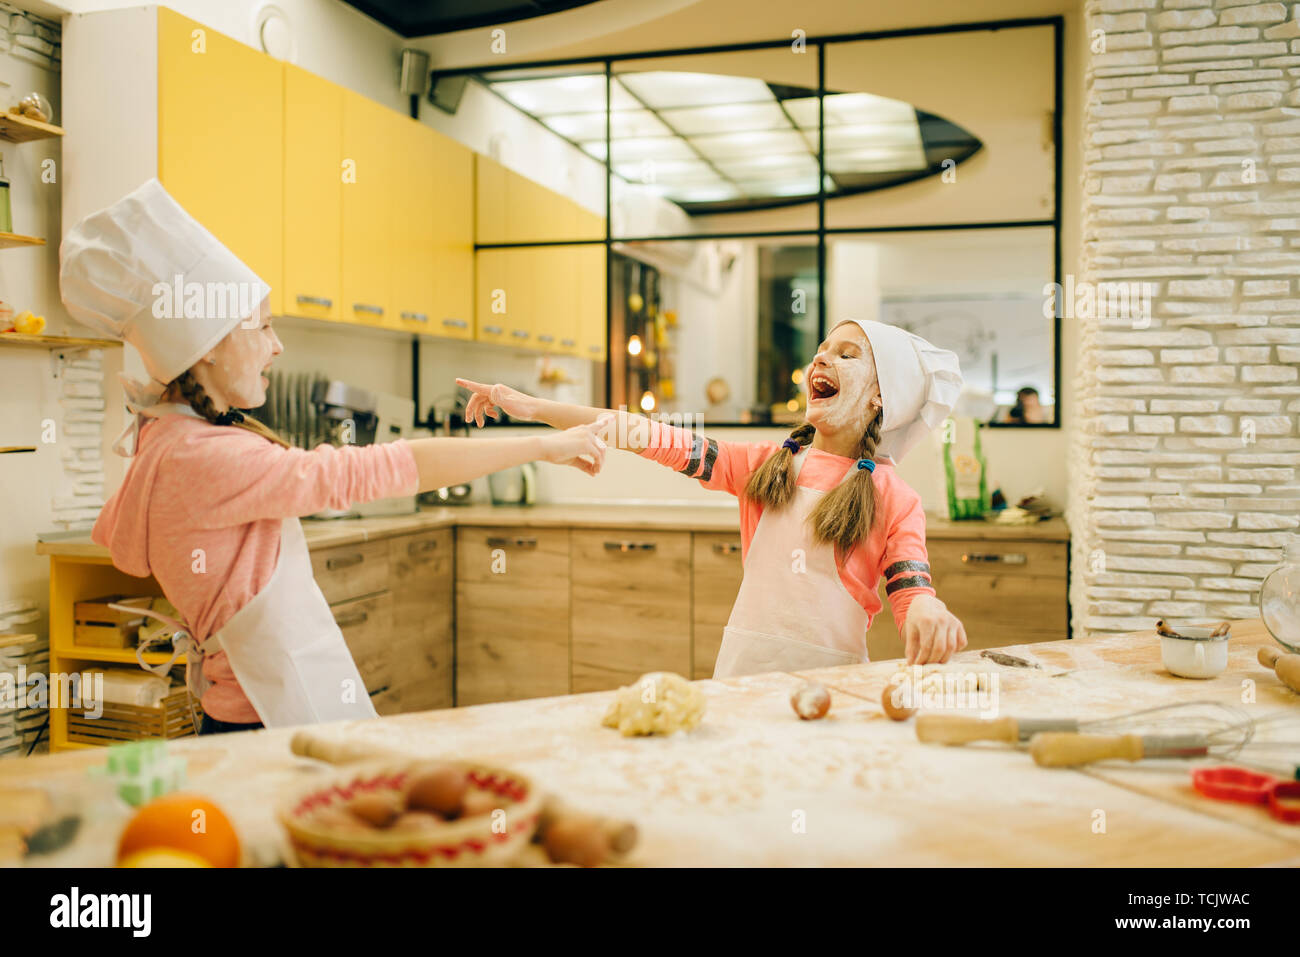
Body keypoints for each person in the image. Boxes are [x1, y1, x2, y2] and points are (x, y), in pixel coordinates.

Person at [60, 179, 608, 734]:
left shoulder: (167, 442)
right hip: (266, 721)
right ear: (209, 346)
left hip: (244, 709)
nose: (277, 345)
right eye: (265, 326)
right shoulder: (202, 457)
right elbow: (381, 468)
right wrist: (543, 444)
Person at [458, 318, 968, 676]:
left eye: (846, 354)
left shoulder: (894, 497)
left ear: (881, 397)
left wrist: (926, 612)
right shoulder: (766, 467)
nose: (822, 357)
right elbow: (635, 430)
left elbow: (911, 589)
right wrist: (527, 405)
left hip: (831, 691)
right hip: (741, 678)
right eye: (822, 350)